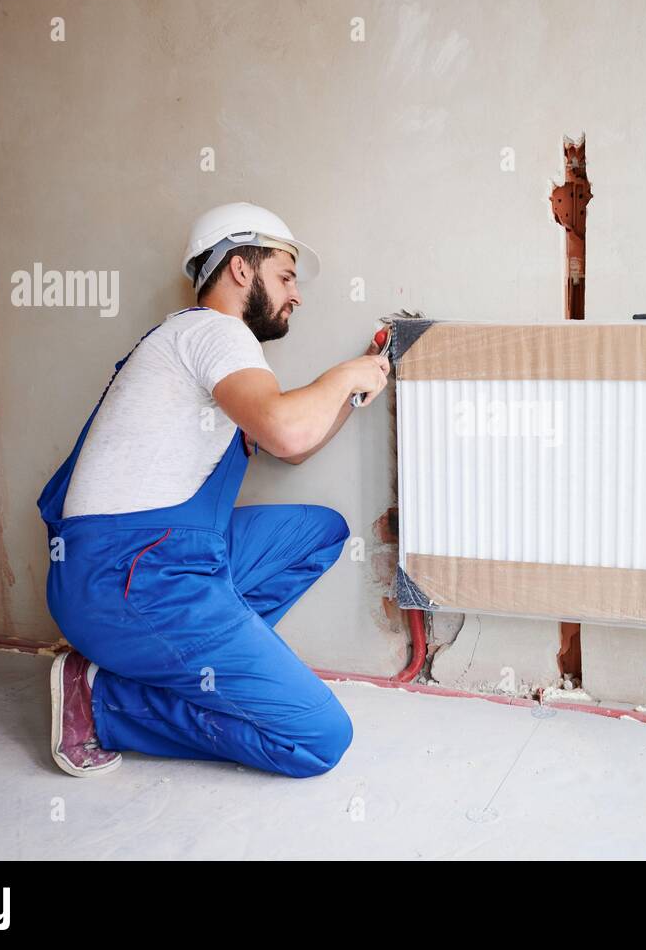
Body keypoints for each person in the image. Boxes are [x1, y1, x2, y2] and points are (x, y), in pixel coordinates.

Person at [37, 201, 389, 778]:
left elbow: (291, 445)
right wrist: (342, 375)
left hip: (133, 567)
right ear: (241, 270)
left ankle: (188, 662)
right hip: (133, 582)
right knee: (320, 739)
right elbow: (284, 425)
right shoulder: (216, 333)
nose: (295, 295)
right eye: (285, 275)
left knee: (319, 532)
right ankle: (105, 703)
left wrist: (356, 384)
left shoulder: (198, 349)